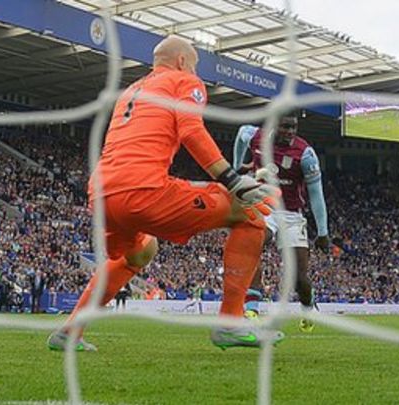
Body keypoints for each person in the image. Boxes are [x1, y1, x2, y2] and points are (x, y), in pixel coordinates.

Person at [46, 36, 280, 352]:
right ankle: (231, 323)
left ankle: (69, 332)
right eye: (194, 64)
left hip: (102, 194)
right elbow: (192, 131)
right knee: (251, 213)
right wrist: (232, 179)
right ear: (182, 61)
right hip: (142, 190)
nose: (196, 72)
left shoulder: (132, 90)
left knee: (141, 252)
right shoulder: (185, 81)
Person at [233, 114, 329, 332]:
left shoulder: (305, 154)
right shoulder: (255, 136)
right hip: (263, 206)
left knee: (298, 278)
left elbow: (316, 194)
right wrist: (236, 166)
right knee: (252, 244)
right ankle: (251, 308)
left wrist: (323, 232)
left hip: (291, 215)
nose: (290, 132)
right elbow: (241, 134)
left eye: (293, 127)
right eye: (285, 126)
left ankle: (308, 305)